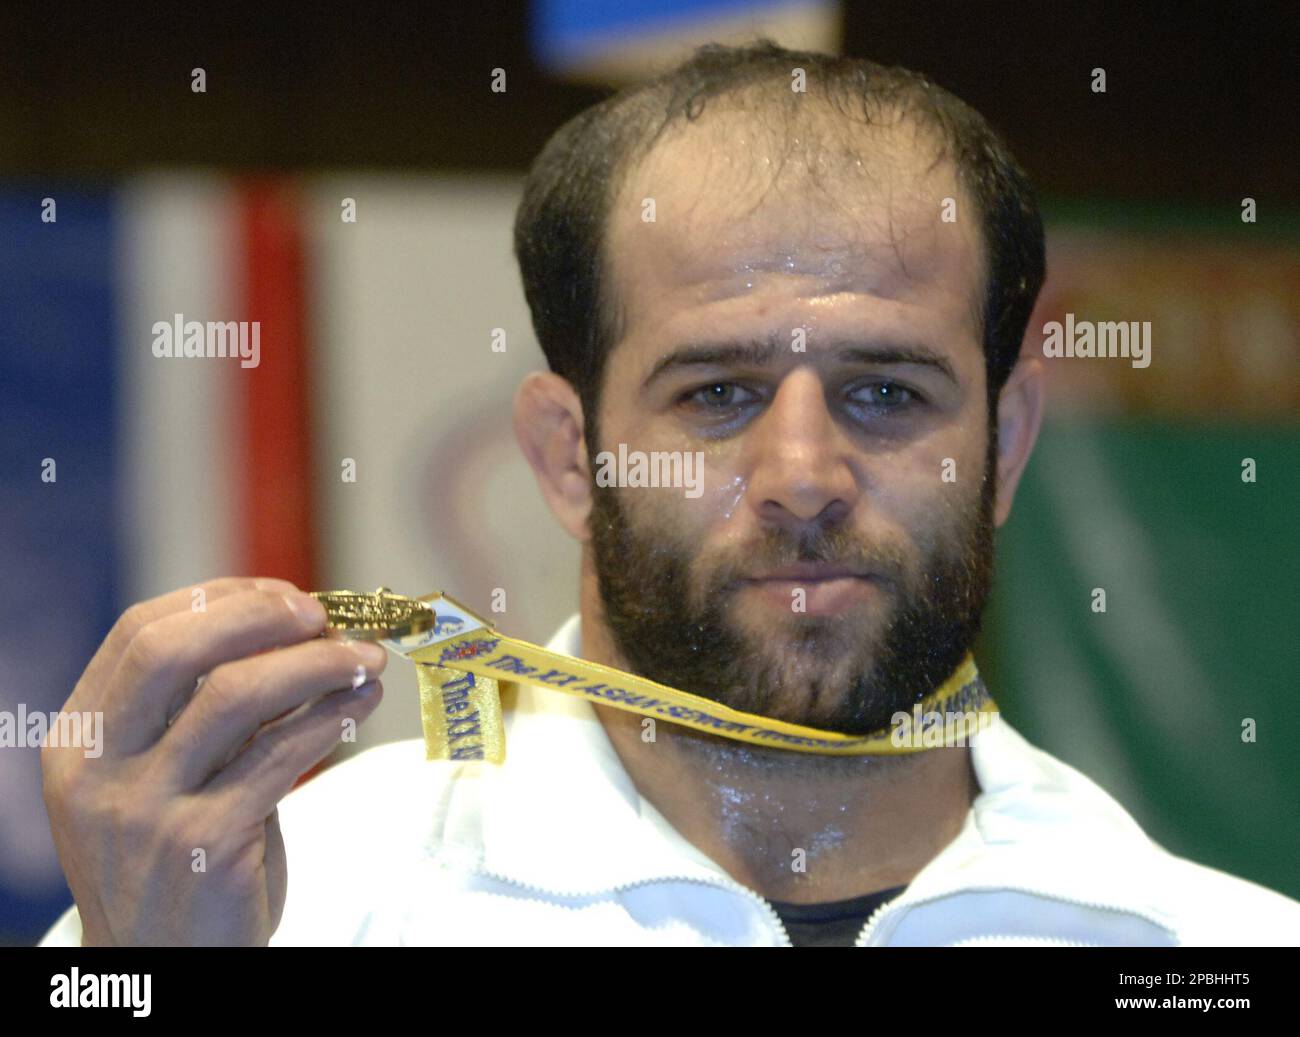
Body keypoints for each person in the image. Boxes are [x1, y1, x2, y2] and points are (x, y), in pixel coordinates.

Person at [39, 40, 1300, 946]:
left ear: (1007, 445)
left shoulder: (1207, 946)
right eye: (717, 393)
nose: (802, 477)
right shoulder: (286, 910)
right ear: (566, 456)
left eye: (885, 391)